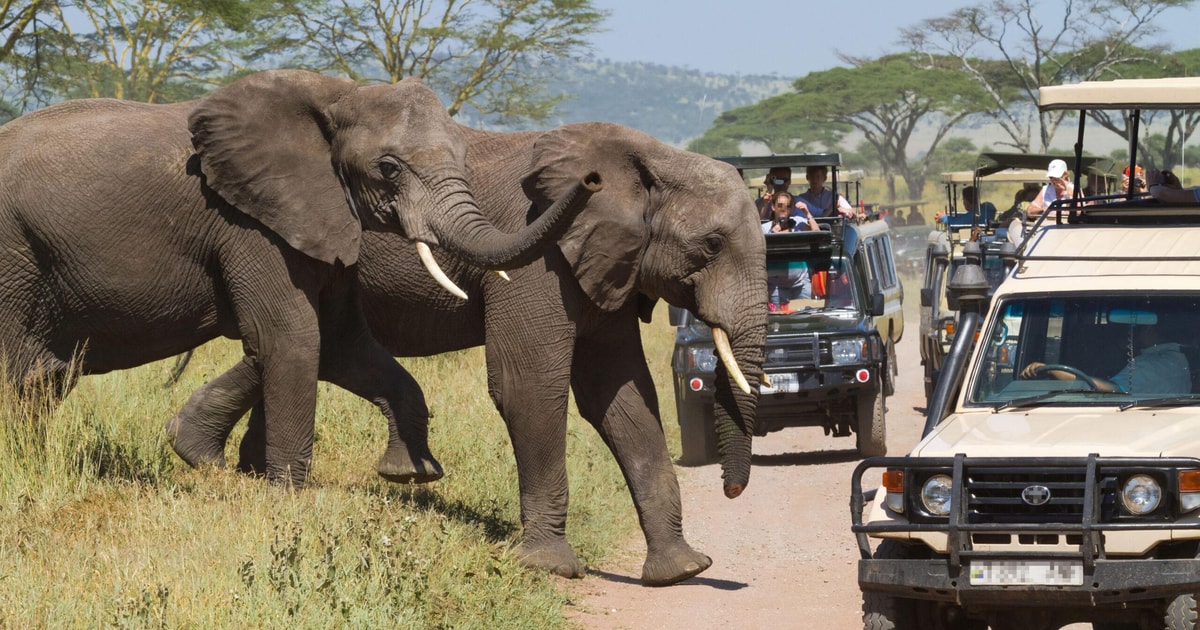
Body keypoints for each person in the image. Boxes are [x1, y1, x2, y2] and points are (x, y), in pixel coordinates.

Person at [1020, 322, 1190, 394]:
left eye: (1132, 332)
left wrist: (1053, 370)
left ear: (1148, 331)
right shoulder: (1175, 359)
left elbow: (1110, 390)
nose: (1127, 339)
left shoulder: (1155, 364)